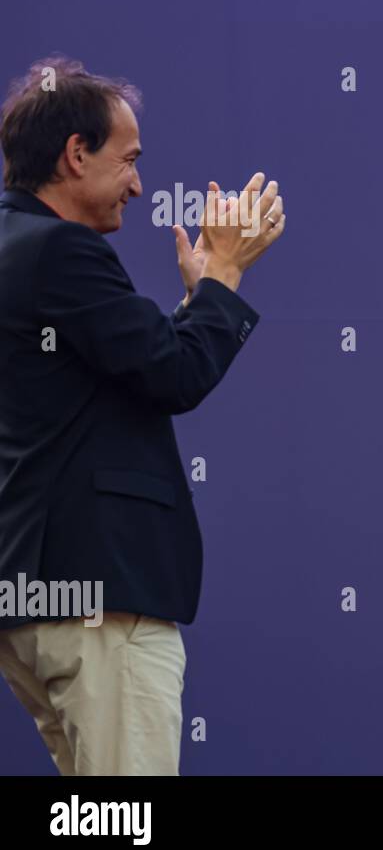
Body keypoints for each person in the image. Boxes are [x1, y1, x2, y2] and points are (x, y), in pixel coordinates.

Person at [0, 56, 284, 775]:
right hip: (100, 598)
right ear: (75, 155)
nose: (138, 183)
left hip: (38, 595)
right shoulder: (62, 250)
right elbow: (173, 373)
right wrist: (223, 273)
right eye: (127, 160)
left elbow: (112, 368)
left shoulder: (17, 249)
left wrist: (195, 305)